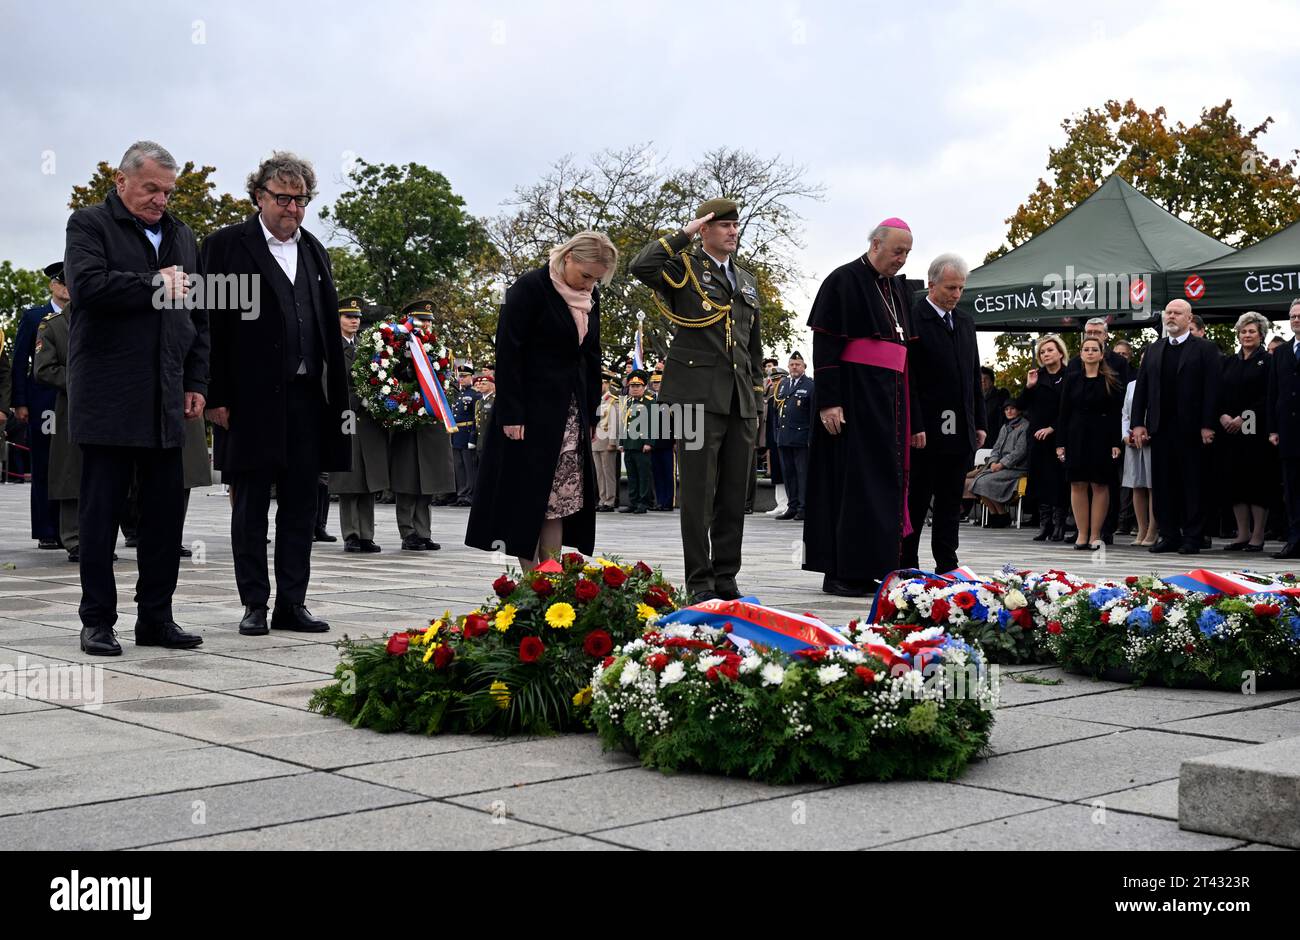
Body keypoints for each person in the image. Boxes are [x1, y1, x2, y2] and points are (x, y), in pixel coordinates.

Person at [63, 140, 207, 655]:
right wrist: (153, 283)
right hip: (109, 398)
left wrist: (197, 382)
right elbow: (88, 286)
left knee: (166, 516)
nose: (160, 200)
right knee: (101, 514)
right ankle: (98, 619)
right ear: (121, 181)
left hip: (168, 399)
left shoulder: (182, 236)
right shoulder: (89, 225)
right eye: (151, 188)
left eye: (167, 191)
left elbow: (199, 317)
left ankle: (156, 617)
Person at [202, 151, 350, 636]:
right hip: (248, 401)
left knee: (301, 505)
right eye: (283, 198)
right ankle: (253, 604)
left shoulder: (314, 250)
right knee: (249, 507)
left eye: (301, 199)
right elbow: (211, 327)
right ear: (259, 196)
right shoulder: (226, 247)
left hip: (309, 398)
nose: (292, 208)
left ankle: (292, 602)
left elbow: (326, 325)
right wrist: (216, 395)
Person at [630, 199, 764, 603]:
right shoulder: (685, 267)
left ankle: (726, 576)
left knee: (733, 496)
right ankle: (700, 580)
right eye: (723, 225)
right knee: (697, 494)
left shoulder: (746, 279)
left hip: (739, 399)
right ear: (704, 230)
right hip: (694, 397)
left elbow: (752, 348)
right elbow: (641, 267)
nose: (732, 232)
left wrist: (756, 403)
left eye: (735, 226)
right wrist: (683, 233)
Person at [467, 231, 612, 568]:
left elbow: (591, 357)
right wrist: (512, 413)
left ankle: (551, 575)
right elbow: (509, 353)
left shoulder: (590, 298)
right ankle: (533, 581)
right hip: (530, 413)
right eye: (586, 275)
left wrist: (591, 414)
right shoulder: (528, 289)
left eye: (596, 279)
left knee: (559, 498)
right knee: (529, 495)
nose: (590, 285)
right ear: (569, 258)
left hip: (570, 411)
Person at [802, 218, 918, 596]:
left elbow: (904, 352)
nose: (902, 259)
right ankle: (839, 571)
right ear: (875, 245)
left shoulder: (897, 288)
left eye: (907, 253)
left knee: (881, 483)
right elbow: (826, 344)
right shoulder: (843, 280)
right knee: (851, 482)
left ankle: (873, 566)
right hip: (853, 396)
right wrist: (830, 402)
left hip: (889, 400)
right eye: (897, 251)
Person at [901, 253, 984, 573]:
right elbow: (911, 378)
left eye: (961, 288)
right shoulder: (913, 318)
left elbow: (973, 373)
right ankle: (906, 561)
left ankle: (947, 563)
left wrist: (979, 421)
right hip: (926, 430)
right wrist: (915, 423)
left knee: (951, 502)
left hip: (960, 429)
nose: (956, 295)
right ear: (932, 284)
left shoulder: (964, 321)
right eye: (950, 288)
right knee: (917, 501)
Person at [1131, 300, 1223, 554]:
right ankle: (1169, 534)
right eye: (1168, 313)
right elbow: (1141, 390)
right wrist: (1138, 423)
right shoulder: (1154, 349)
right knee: (1162, 484)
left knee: (1193, 484)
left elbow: (1212, 390)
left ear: (1188, 317)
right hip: (1160, 429)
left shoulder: (1205, 349)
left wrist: (1207, 424)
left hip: (1193, 430)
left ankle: (1193, 537)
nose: (1171, 316)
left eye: (1177, 313)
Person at [389, 301, 456, 551]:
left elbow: (449, 383)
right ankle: (408, 533)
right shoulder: (397, 346)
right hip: (408, 421)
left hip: (431, 424)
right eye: (420, 320)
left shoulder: (438, 350)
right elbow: (390, 380)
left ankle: (424, 532)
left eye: (428, 321)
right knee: (407, 481)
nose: (426, 325)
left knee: (428, 481)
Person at [9, 261, 65, 548]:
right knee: (44, 462)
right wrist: (19, 402)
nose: (67, 287)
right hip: (43, 399)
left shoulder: (85, 314)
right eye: (61, 282)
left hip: (76, 401)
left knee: (73, 464)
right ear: (52, 285)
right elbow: (19, 362)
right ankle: (46, 528)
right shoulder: (34, 317)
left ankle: (71, 529)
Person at [329, 296, 388, 553]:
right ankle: (351, 534)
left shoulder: (368, 348)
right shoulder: (331, 348)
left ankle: (367, 534)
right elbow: (329, 384)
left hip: (368, 421)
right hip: (346, 417)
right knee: (349, 480)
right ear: (338, 319)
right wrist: (356, 397)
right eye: (348, 317)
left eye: (357, 318)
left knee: (368, 479)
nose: (354, 321)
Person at [1056, 338, 1124, 549]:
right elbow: (1063, 412)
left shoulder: (1110, 379)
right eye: (1086, 349)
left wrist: (1115, 442)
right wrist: (1060, 443)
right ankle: (1081, 533)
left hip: (1102, 437)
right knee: (1077, 483)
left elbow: (1115, 414)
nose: (1090, 353)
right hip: (1075, 435)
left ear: (1102, 354)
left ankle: (1096, 534)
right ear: (1081, 354)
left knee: (1099, 484)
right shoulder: (1072, 378)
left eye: (1095, 349)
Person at [1217, 311, 1274, 552]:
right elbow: (1219, 393)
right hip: (1230, 432)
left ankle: (1257, 535)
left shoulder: (1268, 361)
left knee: (1256, 483)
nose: (1247, 335)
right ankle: (1242, 533)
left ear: (1261, 334)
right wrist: (1223, 416)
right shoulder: (1230, 361)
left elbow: (1269, 396)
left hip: (1257, 431)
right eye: (1243, 331)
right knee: (1235, 483)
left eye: (1252, 331)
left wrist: (1244, 418)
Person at [31, 305, 83, 561]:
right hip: (71, 408)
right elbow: (43, 369)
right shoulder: (53, 325)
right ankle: (74, 539)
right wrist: (79, 378)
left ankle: (99, 537)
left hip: (109, 408)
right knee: (71, 471)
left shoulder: (107, 316)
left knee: (104, 474)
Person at [1023, 335, 1070, 542]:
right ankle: (1045, 524)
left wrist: (1053, 428)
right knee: (1040, 480)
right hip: (1036, 437)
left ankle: (1060, 524)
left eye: (1050, 350)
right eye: (1042, 352)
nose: (1046, 354)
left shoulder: (1070, 375)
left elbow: (1070, 408)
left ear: (1060, 352)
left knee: (1058, 481)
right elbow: (1020, 405)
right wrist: (1029, 386)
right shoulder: (1037, 376)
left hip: (1059, 436)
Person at [1267, 299, 1300, 559]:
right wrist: (1273, 429)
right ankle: (1294, 538)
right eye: (1292, 316)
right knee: (1291, 488)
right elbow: (1273, 393)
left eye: (1299, 315)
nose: (1296, 320)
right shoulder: (1282, 352)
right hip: (1288, 430)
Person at [966, 397, 1029, 522]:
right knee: (978, 480)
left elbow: (1020, 452)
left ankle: (1001, 513)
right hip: (999, 466)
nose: (1009, 411)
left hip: (1016, 468)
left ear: (1019, 411)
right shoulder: (1005, 427)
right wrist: (994, 462)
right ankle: (996, 514)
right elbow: (996, 448)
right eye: (1006, 409)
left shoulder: (1025, 426)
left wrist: (1002, 464)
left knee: (983, 482)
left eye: (1012, 409)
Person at [773, 351, 814, 521]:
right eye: (791, 364)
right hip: (784, 436)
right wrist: (777, 434)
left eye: (797, 364)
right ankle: (792, 506)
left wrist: (811, 437)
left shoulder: (810, 385)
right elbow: (777, 410)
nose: (794, 367)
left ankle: (804, 507)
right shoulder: (782, 385)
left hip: (801, 437)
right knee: (788, 474)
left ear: (804, 367)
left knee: (802, 474)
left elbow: (812, 414)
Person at [1121, 365, 1156, 546]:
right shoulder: (1132, 385)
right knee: (1137, 485)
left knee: (1152, 486)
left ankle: (1153, 529)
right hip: (1133, 441)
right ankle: (1142, 528)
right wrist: (1126, 436)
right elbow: (1126, 414)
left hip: (1152, 439)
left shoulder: (1160, 383)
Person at [618, 370, 655, 513]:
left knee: (643, 475)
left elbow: (653, 423)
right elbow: (624, 423)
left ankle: (643, 503)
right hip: (628, 444)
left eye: (637, 386)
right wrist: (622, 442)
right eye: (632, 386)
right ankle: (633, 502)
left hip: (641, 444)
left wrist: (649, 442)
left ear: (644, 387)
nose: (634, 388)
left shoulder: (650, 402)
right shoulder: (627, 402)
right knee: (632, 475)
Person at [592, 369, 622, 511]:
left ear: (607, 384)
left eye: (601, 384)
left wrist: (613, 441)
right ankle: (602, 499)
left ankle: (610, 501)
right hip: (595, 441)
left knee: (608, 473)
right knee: (599, 474)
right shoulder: (594, 399)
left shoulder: (612, 401)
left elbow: (615, 422)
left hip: (607, 442)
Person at [451, 365, 481, 506]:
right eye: (460, 376)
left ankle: (469, 495)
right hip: (457, 434)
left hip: (468, 432)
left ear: (471, 377)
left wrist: (473, 437)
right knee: (459, 466)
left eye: (464, 376)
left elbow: (477, 417)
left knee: (469, 466)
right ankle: (461, 494)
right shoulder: (459, 395)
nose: (461, 379)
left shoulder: (476, 395)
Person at [647, 370, 676, 510]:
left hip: (668, 442)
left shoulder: (671, 400)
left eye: (659, 382)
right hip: (654, 442)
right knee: (657, 473)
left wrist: (676, 440)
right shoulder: (650, 400)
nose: (656, 384)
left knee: (668, 473)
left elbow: (676, 421)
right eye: (654, 382)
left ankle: (668, 502)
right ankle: (660, 501)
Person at [981, 367, 1009, 444]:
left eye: (986, 378)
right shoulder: (974, 398)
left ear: (992, 381)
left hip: (997, 439)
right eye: (980, 378)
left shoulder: (1001, 395)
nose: (983, 381)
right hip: (980, 440)